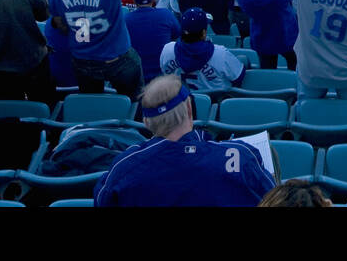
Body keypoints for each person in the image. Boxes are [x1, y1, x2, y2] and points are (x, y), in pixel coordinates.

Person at [95, 74, 274, 206]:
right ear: (189, 108)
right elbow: (274, 200)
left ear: (147, 122)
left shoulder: (124, 168)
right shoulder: (239, 155)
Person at [159, 8, 247, 92]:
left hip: (181, 104)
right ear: (204, 33)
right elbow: (239, 77)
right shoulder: (221, 53)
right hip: (216, 104)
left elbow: (164, 74)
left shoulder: (167, 50)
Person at [126, 0, 181, 84]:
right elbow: (177, 38)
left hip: (137, 81)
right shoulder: (166, 15)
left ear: (134, 0)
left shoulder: (125, 20)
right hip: (163, 81)